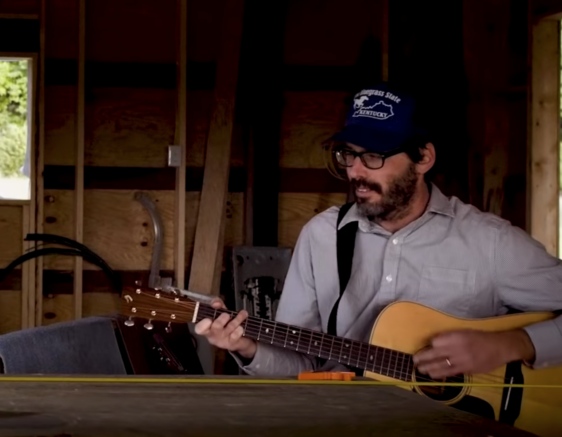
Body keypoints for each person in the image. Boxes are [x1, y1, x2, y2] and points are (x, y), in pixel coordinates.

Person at [195, 84, 562, 379]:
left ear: (423, 158)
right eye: (349, 154)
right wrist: (246, 346)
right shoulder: (322, 236)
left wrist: (512, 345)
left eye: (373, 156)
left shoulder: (490, 242)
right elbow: (302, 365)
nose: (356, 171)